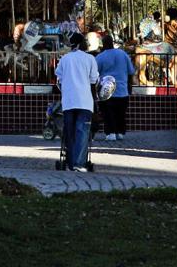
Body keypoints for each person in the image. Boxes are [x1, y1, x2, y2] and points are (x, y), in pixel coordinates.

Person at [55, 32, 99, 171]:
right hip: (85, 101)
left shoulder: (65, 59)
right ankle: (79, 163)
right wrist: (95, 100)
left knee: (70, 132)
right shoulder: (90, 58)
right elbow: (93, 81)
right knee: (82, 132)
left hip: (69, 101)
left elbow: (59, 78)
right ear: (81, 44)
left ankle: (70, 162)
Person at [95, 34, 133, 141]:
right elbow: (131, 71)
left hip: (106, 91)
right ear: (112, 43)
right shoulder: (123, 54)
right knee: (120, 113)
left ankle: (110, 133)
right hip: (122, 90)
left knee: (108, 113)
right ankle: (120, 132)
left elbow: (94, 73)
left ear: (103, 44)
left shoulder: (100, 57)